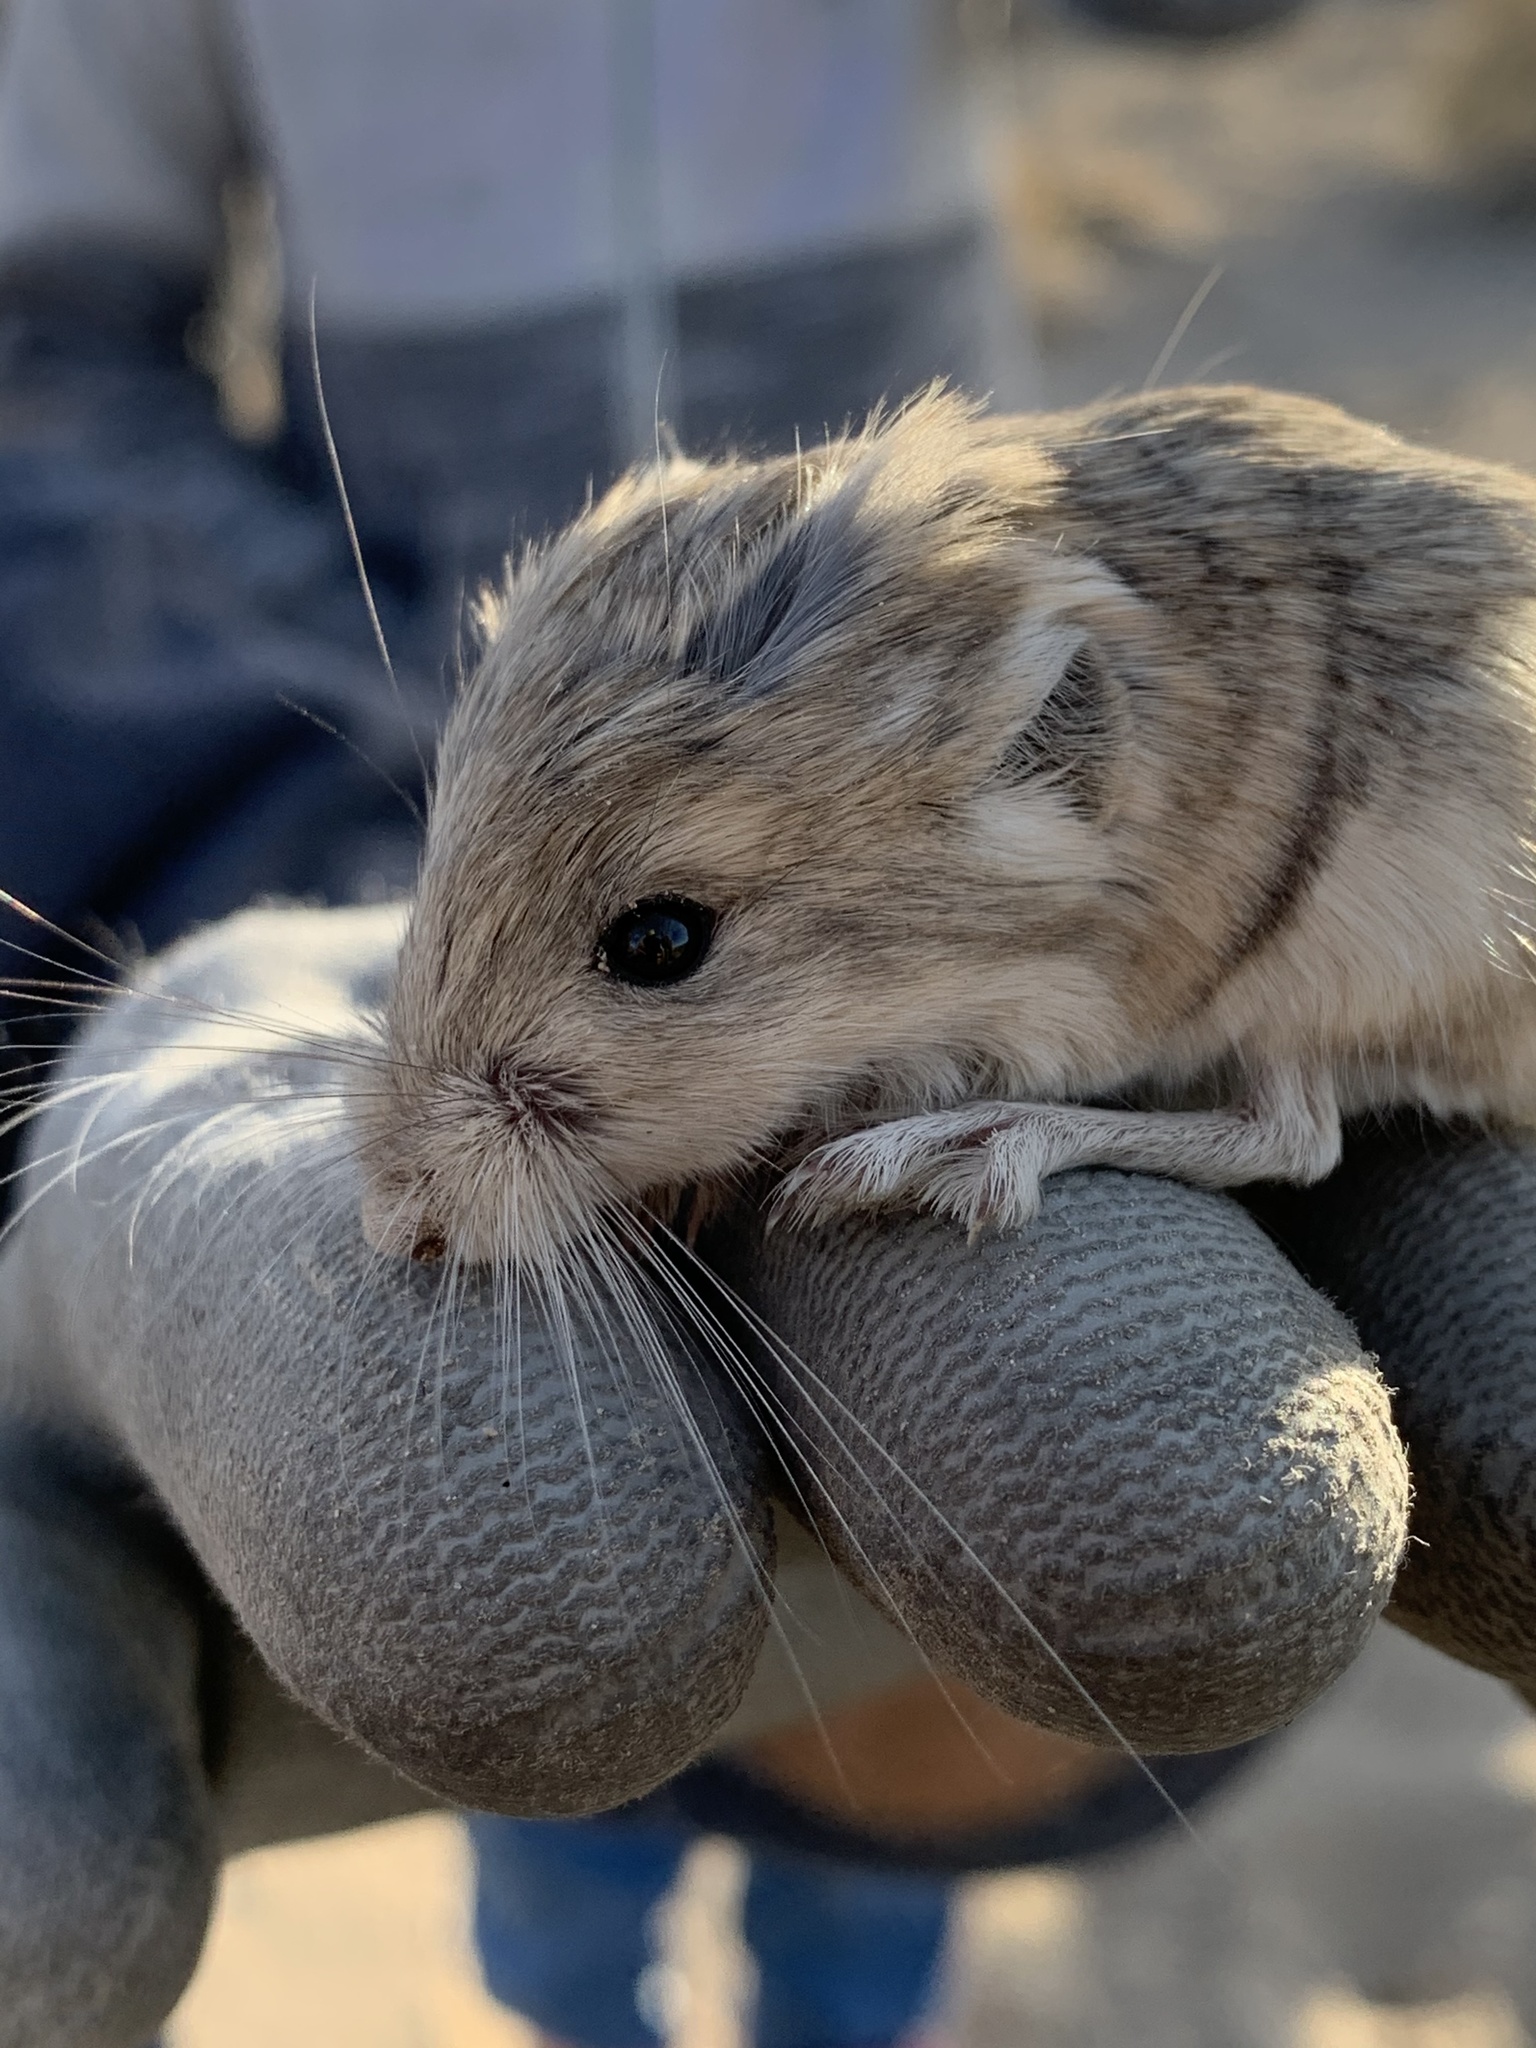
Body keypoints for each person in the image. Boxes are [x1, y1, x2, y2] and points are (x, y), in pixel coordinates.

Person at [0, 6, 1440, 2048]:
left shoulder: (1040, 751)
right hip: (442, 825)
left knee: (937, 1677)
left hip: (965, 805)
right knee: (544, 1652)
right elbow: (38, 352)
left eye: (662, 937)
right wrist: (345, 841)